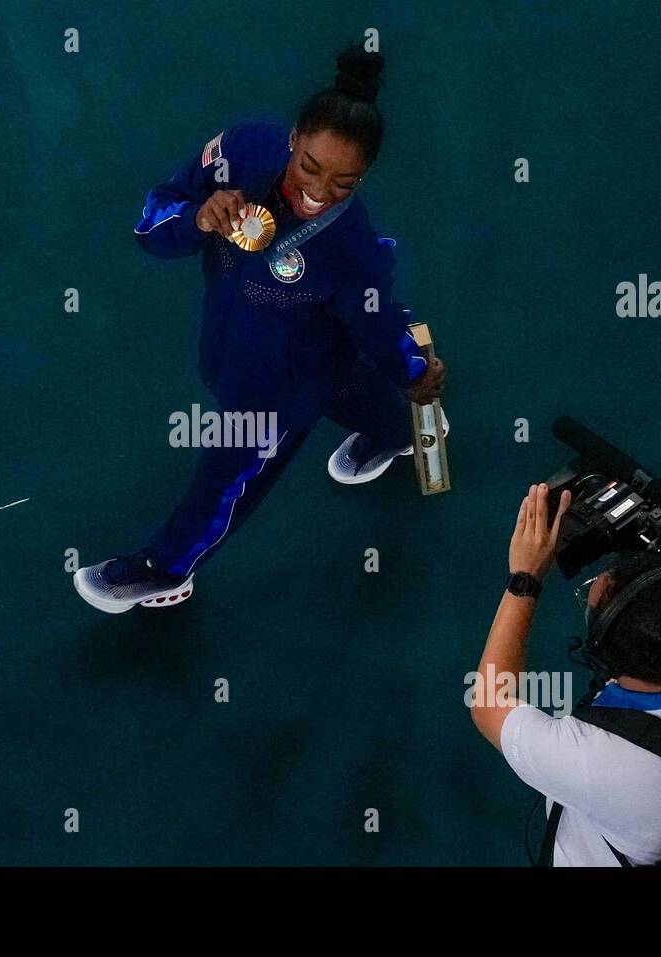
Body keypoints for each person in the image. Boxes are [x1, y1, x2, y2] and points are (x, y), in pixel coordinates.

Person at [75, 46, 447, 613]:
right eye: (309, 167)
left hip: (279, 390)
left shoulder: (352, 250)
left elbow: (374, 323)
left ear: (364, 177)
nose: (319, 193)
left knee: (225, 475)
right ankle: (402, 432)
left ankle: (167, 569)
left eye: (344, 183)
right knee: (346, 383)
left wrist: (416, 373)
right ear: (293, 139)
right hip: (243, 347)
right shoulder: (241, 152)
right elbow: (151, 223)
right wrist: (197, 221)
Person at [470, 483, 661, 866]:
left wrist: (525, 577)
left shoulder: (590, 760)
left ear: (599, 646)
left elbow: (490, 701)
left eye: (593, 592)